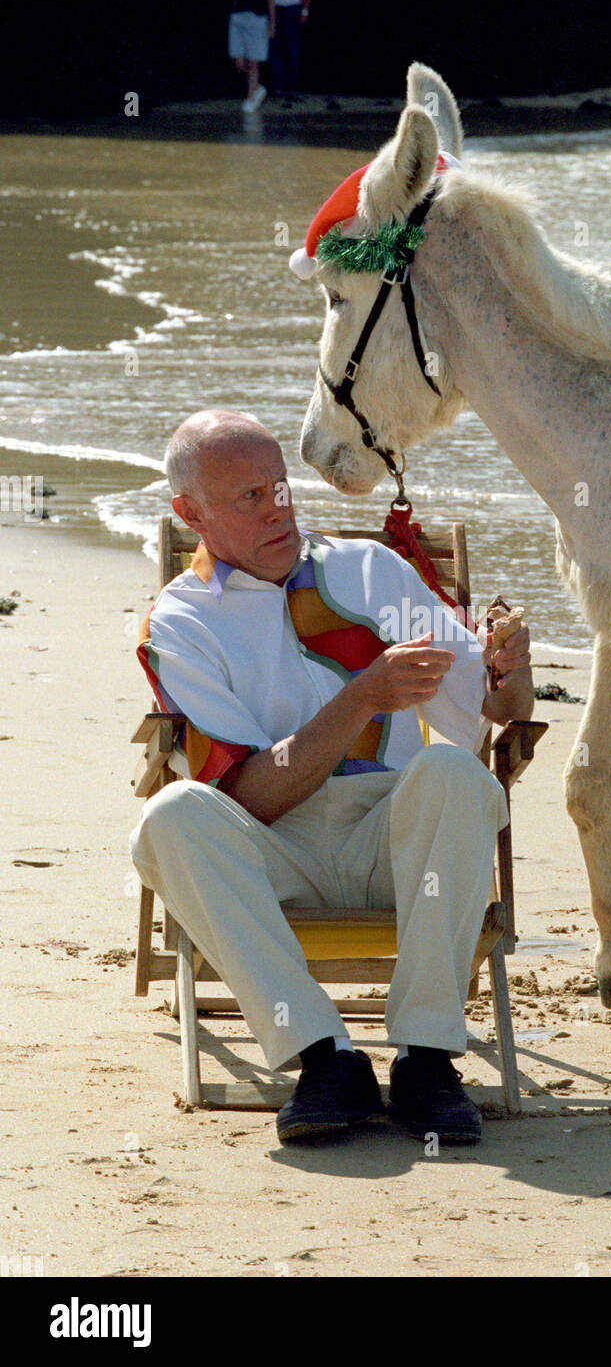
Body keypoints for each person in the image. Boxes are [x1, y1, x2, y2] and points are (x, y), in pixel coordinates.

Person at [130, 409, 534, 1146]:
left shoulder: (371, 573)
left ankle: (427, 1060)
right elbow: (248, 797)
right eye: (248, 497)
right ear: (191, 514)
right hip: (273, 852)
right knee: (170, 818)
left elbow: (488, 714)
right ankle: (324, 1060)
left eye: (280, 486)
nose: (277, 508)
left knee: (454, 772)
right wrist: (364, 697)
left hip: (394, 841)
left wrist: (512, 671)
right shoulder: (181, 622)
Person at [229, 0, 276, 113]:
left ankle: (251, 97)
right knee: (239, 62)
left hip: (257, 19)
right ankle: (256, 87)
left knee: (253, 61)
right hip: (237, 18)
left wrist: (272, 23)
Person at [270, 0, 312, 102]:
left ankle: (292, 88)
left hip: (293, 8)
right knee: (276, 50)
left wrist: (305, 11)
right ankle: (277, 87)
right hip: (277, 8)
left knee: (292, 49)